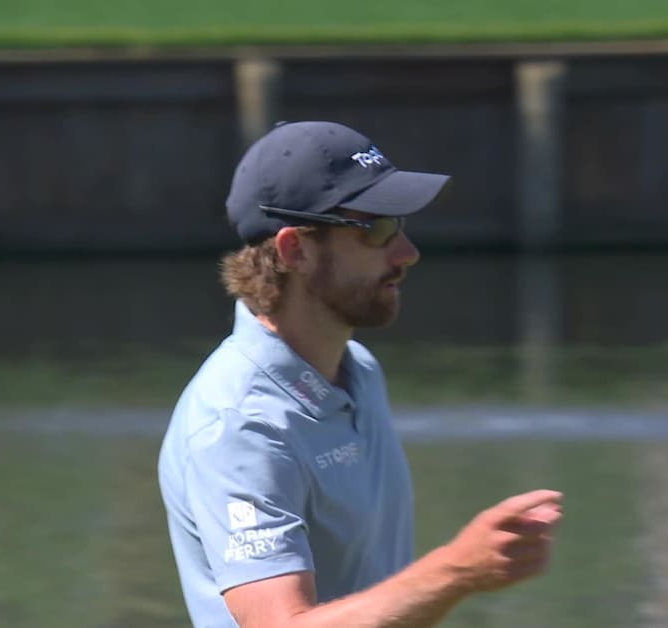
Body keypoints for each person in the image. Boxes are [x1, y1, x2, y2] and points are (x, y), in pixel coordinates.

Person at [157, 121, 563, 627]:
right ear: (294, 251)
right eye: (376, 229)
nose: (407, 253)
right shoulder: (240, 426)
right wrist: (455, 570)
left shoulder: (360, 371)